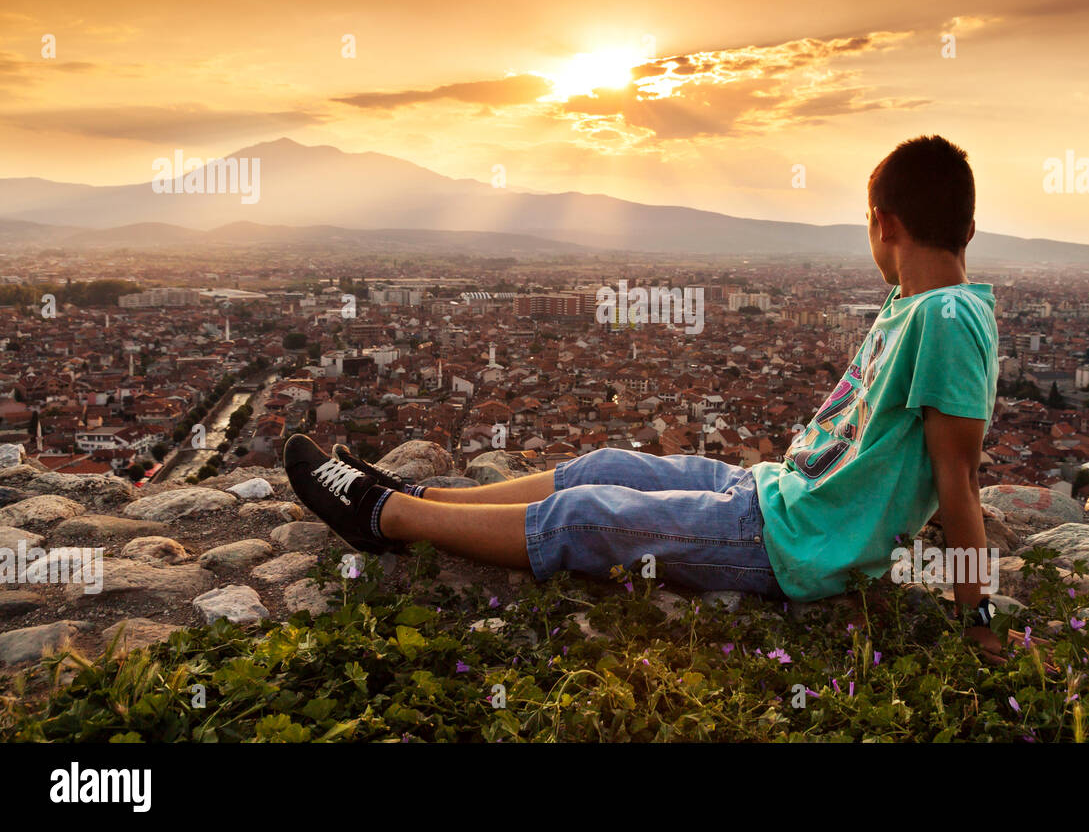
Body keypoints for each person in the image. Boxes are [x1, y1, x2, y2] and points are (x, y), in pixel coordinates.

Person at [285, 135, 1008, 655]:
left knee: (583, 515)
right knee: (607, 465)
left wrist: (975, 618)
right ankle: (420, 495)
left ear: (883, 224)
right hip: (772, 495)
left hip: (793, 546)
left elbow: (959, 478)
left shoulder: (946, 317)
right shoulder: (912, 302)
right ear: (968, 227)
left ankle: (383, 515)